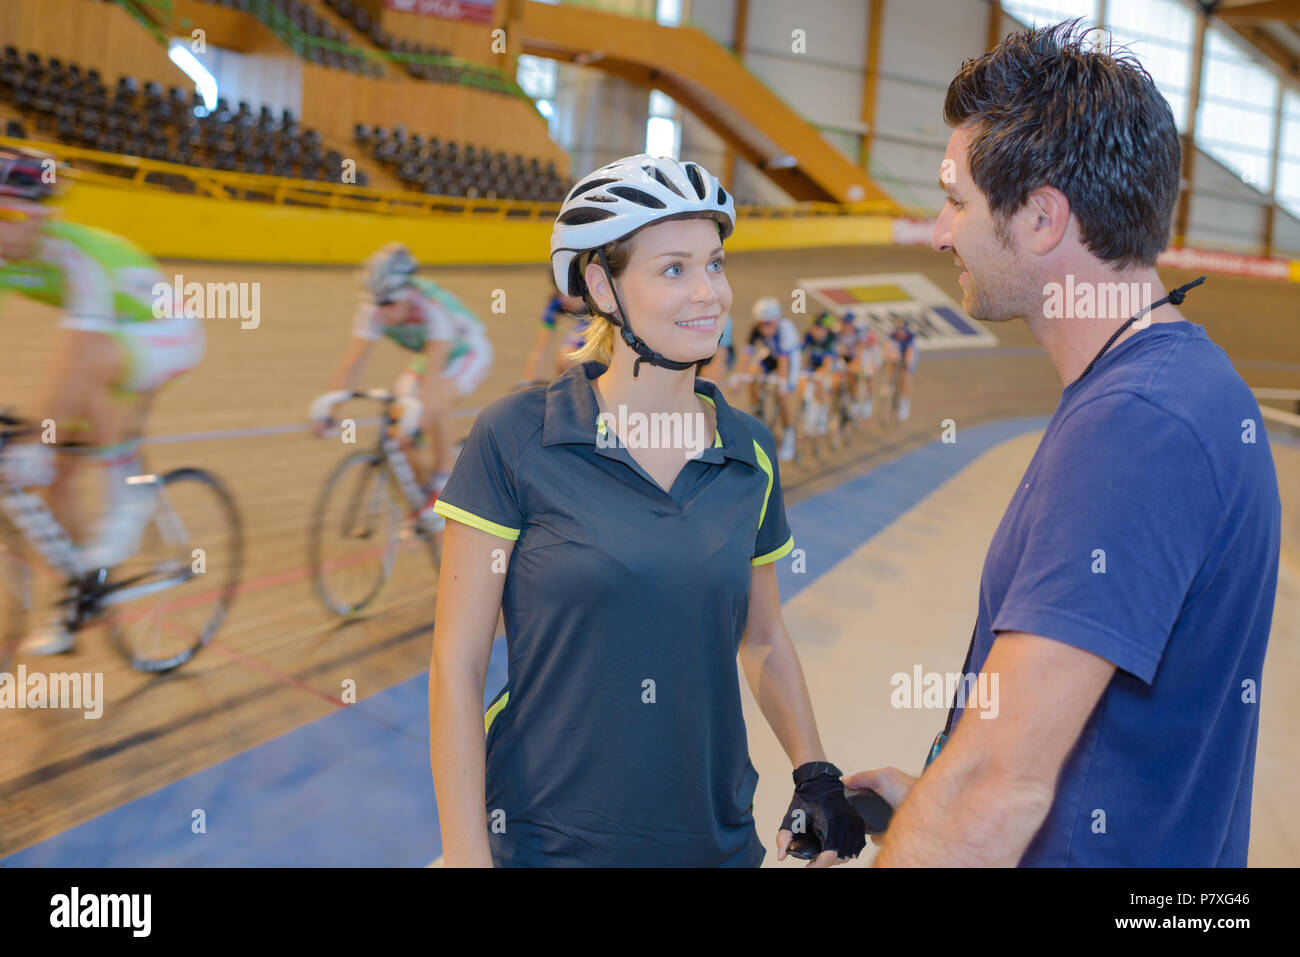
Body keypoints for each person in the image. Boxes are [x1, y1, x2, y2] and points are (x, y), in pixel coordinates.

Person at [850, 21, 1281, 867]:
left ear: (1043, 217)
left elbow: (996, 790)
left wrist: (951, 819)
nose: (940, 233)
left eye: (957, 202)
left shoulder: (1139, 429)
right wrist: (927, 806)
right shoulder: (1175, 390)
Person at [428, 153, 866, 867]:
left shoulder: (748, 450)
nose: (710, 292)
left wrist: (812, 768)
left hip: (711, 842)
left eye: (715, 263)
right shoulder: (514, 437)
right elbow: (457, 660)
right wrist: (466, 854)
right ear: (603, 286)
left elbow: (760, 635)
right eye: (674, 269)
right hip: (542, 843)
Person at [0, 145, 205, 654]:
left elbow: (78, 354)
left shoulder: (80, 256)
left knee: (83, 373)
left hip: (166, 333)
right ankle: (82, 599)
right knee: (58, 480)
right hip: (112, 341)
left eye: (10, 213)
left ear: (43, 216)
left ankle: (128, 493)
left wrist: (32, 438)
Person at [313, 243, 492, 525]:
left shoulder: (433, 310)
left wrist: (418, 418)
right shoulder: (375, 307)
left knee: (434, 403)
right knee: (399, 426)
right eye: (377, 303)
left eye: (389, 304)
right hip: (431, 354)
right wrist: (332, 408)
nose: (381, 311)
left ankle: (445, 481)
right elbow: (353, 364)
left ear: (408, 293)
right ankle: (421, 497)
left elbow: (432, 382)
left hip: (467, 350)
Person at [744, 297, 800, 461]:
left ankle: (789, 434)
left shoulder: (786, 329)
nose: (763, 328)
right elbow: (746, 355)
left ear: (776, 321)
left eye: (768, 324)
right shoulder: (757, 328)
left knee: (783, 396)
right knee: (752, 373)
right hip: (772, 355)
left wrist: (784, 384)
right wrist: (739, 378)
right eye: (760, 323)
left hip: (789, 360)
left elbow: (783, 361)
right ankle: (757, 411)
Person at [518, 269, 588, 385]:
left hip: (601, 322)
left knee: (568, 358)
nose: (565, 300)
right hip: (587, 323)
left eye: (571, 294)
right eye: (561, 294)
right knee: (565, 359)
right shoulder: (555, 304)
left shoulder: (598, 302)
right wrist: (527, 382)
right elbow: (541, 347)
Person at [880, 315, 917, 421]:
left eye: (902, 330)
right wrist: (887, 359)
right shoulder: (892, 336)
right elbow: (887, 349)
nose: (900, 332)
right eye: (898, 330)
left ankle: (904, 402)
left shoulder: (910, 338)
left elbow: (910, 353)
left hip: (907, 354)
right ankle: (888, 381)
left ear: (906, 330)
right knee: (891, 362)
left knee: (905, 377)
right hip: (897, 354)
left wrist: (907, 365)